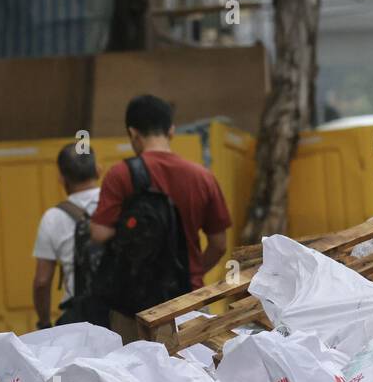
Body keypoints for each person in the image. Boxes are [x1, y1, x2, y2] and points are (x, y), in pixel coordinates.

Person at [90, 94, 232, 342]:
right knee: (192, 376)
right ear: (171, 131)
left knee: (137, 378)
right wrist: (191, 271)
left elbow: (99, 233)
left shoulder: (121, 174)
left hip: (133, 306)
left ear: (133, 133)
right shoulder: (202, 177)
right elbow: (219, 244)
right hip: (189, 301)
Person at [32, 145, 103, 330]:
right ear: (98, 170)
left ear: (61, 179)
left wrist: (44, 323)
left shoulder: (53, 218)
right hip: (119, 313)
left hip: (79, 321)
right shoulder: (115, 202)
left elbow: (42, 282)